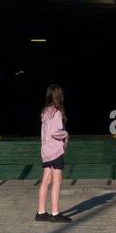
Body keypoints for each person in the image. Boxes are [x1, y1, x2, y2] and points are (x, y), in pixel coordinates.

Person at [36, 84, 71, 222]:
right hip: (55, 151)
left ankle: (41, 211)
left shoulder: (45, 112)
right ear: (58, 96)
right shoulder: (56, 113)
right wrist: (66, 134)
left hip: (45, 150)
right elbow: (56, 132)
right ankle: (55, 213)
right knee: (57, 180)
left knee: (46, 180)